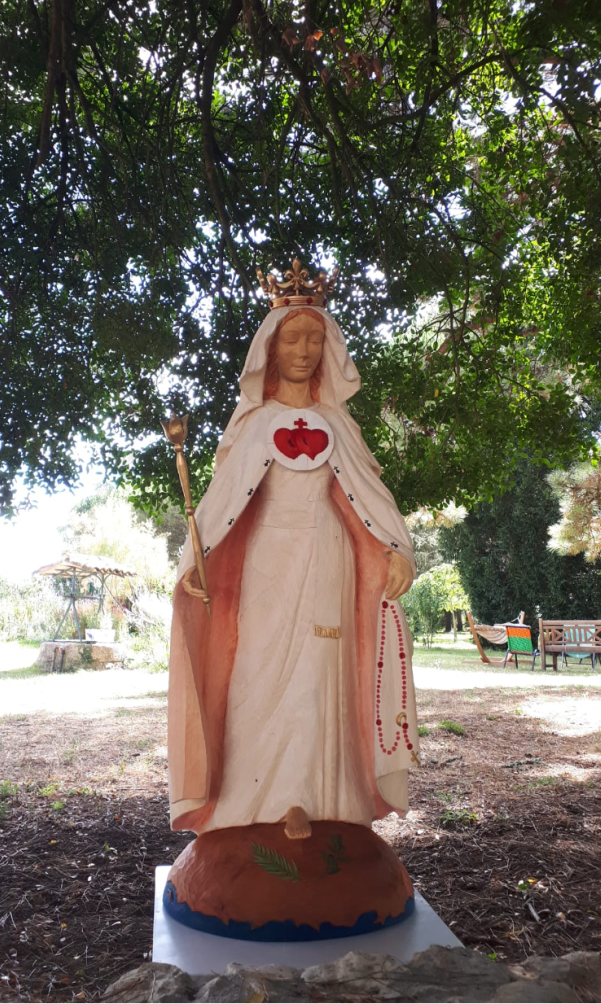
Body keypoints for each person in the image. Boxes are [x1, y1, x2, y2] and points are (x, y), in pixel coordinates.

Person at [167, 281, 419, 842]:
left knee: (319, 672)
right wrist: (194, 563)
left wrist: (398, 549)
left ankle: (325, 800)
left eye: (314, 340)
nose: (303, 351)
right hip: (267, 562)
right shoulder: (254, 425)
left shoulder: (340, 429)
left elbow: (372, 500)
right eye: (292, 340)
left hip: (328, 556)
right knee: (256, 672)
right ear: (270, 352)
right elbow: (219, 503)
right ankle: (251, 801)